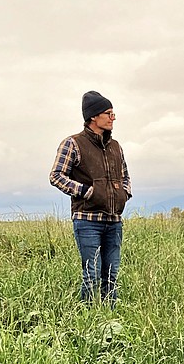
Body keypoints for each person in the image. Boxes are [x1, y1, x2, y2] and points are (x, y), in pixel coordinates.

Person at [49, 91, 132, 304]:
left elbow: (125, 176)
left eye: (113, 113)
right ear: (94, 116)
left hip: (114, 221)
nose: (113, 118)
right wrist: (87, 192)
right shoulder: (73, 143)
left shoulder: (116, 147)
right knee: (92, 275)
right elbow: (56, 176)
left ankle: (111, 318)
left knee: (111, 276)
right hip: (87, 221)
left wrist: (125, 193)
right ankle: (88, 317)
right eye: (108, 113)